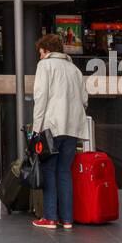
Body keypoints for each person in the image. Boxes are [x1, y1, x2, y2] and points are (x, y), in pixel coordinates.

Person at [30, 33, 89, 231]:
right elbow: (84, 100)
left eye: (40, 52)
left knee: (49, 171)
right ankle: (67, 219)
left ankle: (49, 217)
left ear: (46, 50)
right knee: (64, 172)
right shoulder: (75, 69)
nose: (40, 56)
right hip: (72, 128)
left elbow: (41, 99)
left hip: (51, 127)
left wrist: (36, 129)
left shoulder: (45, 66)